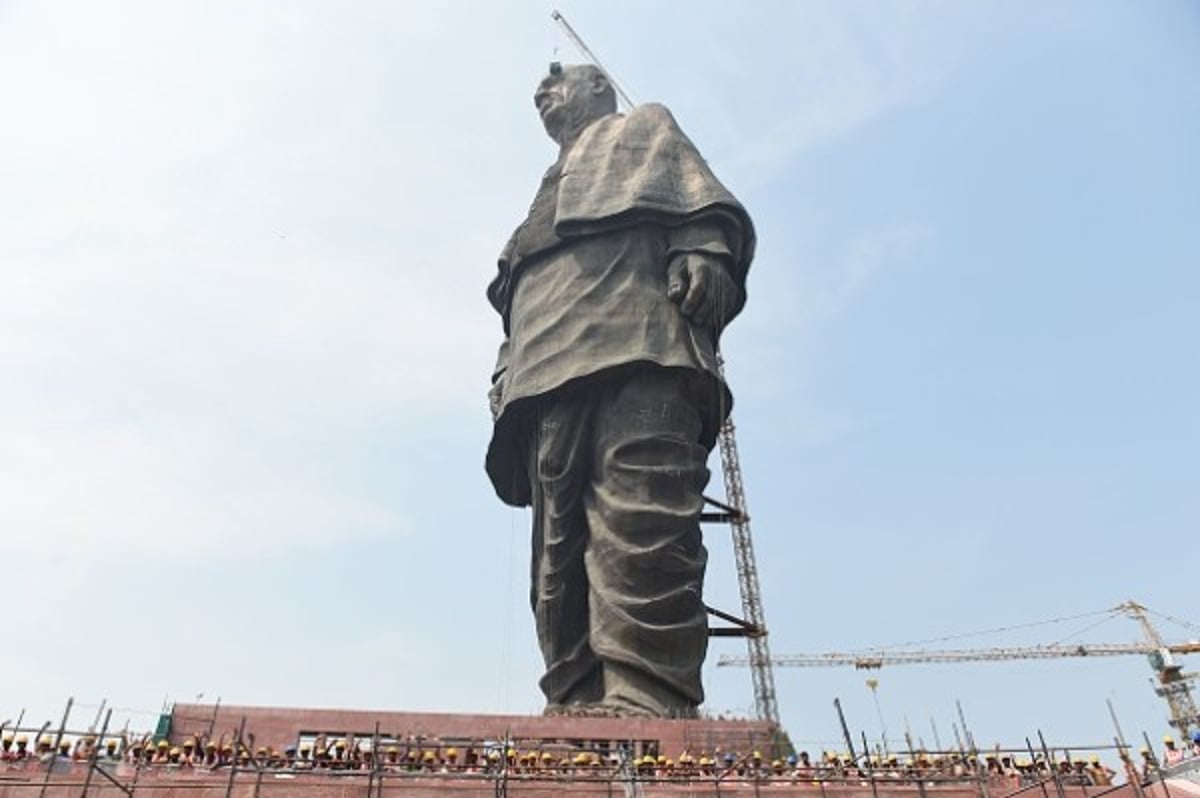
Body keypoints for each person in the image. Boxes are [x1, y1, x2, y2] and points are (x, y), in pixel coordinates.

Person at [485, 62, 754, 718]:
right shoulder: (543, 191)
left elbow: (701, 209)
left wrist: (704, 252)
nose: (545, 89)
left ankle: (647, 695)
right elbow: (515, 289)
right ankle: (574, 698)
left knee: (642, 515)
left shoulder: (644, 127)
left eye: (558, 81)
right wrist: (504, 368)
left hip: (640, 342)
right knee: (558, 547)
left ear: (599, 87)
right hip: (547, 364)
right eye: (537, 92)